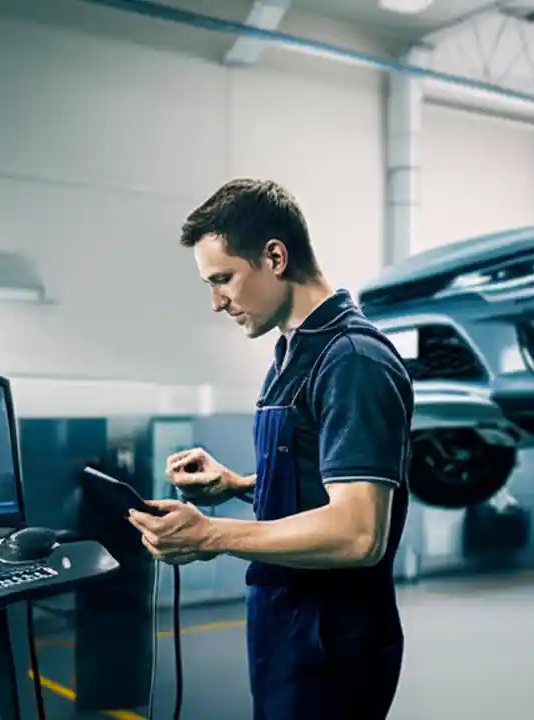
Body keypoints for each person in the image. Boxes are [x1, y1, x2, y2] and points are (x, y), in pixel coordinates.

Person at [126, 179, 414, 720]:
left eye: (223, 279)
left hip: (332, 643)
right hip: (285, 628)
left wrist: (209, 534)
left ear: (275, 257)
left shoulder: (352, 360)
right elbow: (323, 479)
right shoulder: (290, 355)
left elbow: (358, 532)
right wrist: (235, 486)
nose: (217, 302)